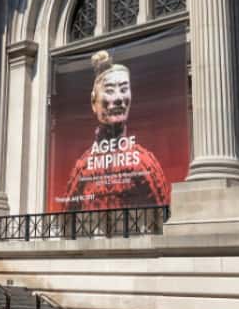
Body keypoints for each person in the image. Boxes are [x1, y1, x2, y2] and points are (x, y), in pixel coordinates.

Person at [62, 50, 167, 211]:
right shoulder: (82, 167)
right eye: (110, 90)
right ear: (93, 102)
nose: (119, 98)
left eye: (124, 89)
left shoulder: (144, 163)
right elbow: (67, 221)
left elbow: (163, 214)